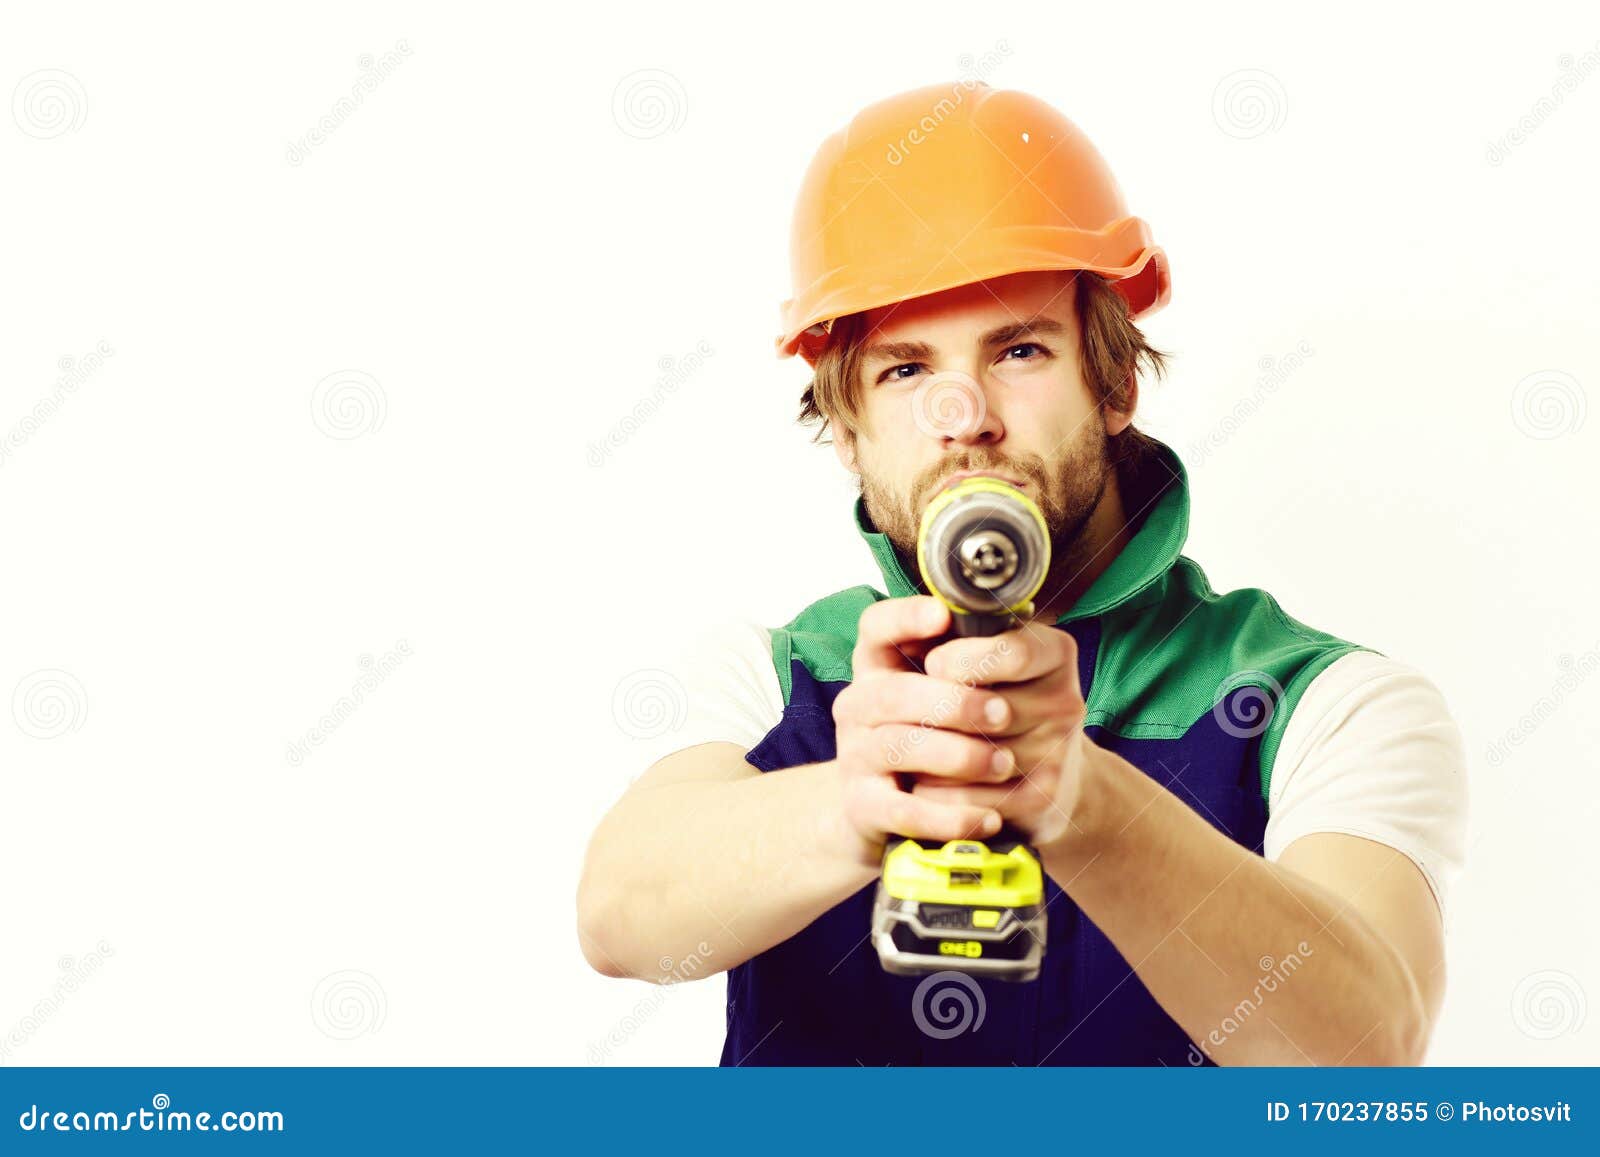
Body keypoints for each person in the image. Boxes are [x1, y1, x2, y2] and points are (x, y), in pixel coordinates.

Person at [578, 81, 1467, 1066]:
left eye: (1019, 349)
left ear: (1115, 379)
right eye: (905, 370)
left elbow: (1367, 1050)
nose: (965, 416)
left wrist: (1083, 800)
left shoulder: (1324, 703)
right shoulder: (768, 677)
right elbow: (620, 919)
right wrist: (858, 800)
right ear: (845, 430)